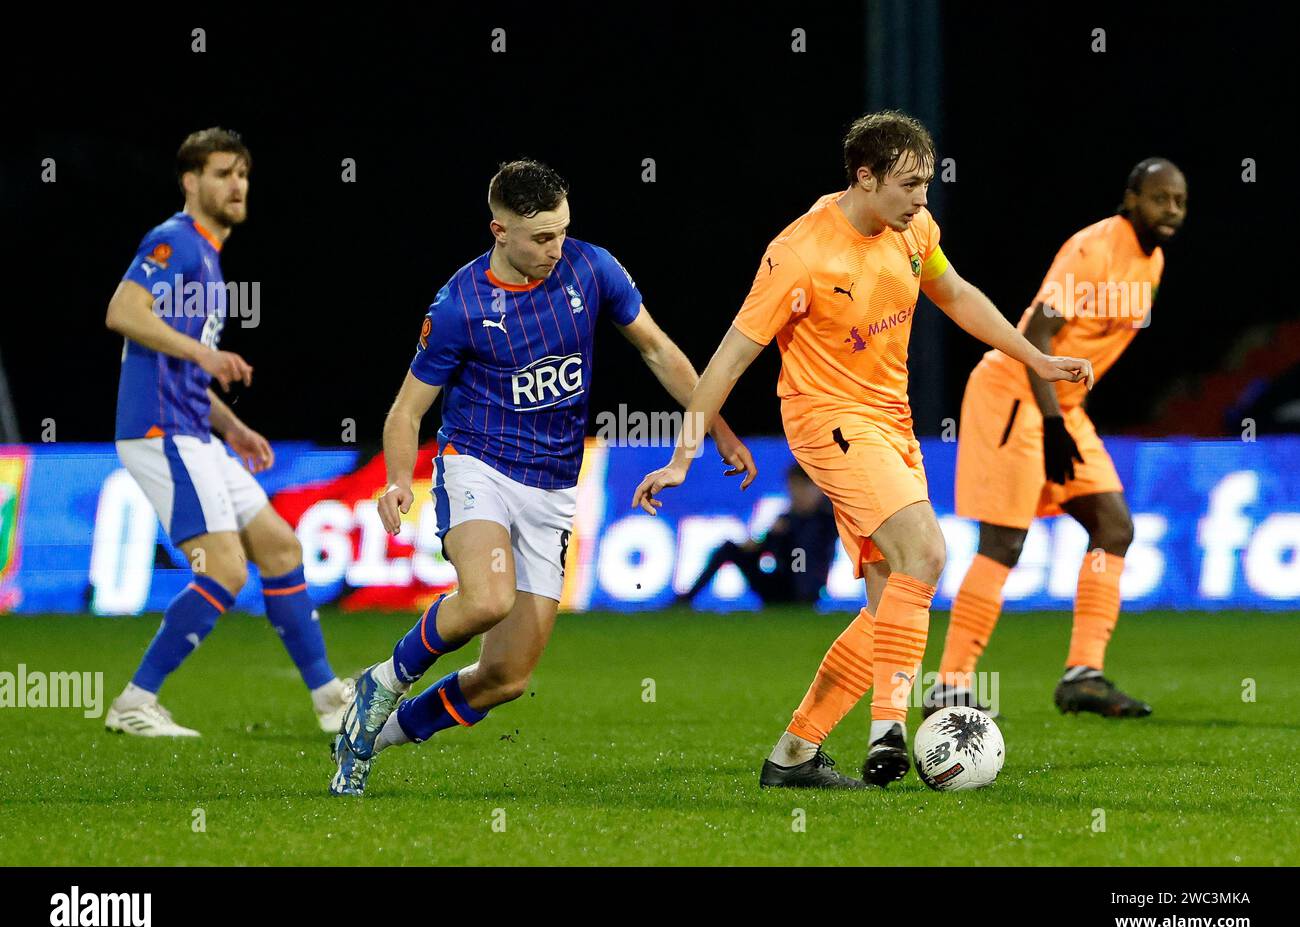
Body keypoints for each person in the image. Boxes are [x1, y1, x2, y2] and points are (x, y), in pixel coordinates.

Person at [632, 111, 1093, 789]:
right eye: (908, 184)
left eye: (927, 184)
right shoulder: (800, 254)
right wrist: (683, 455)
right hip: (828, 421)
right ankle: (889, 732)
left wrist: (1034, 357)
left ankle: (794, 755)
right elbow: (728, 361)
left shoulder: (916, 230)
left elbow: (957, 295)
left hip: (892, 423)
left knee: (889, 606)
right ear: (864, 176)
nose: (921, 199)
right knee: (926, 552)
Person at [329, 159, 756, 795]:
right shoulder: (460, 306)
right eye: (542, 238)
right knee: (486, 599)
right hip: (477, 464)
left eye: (562, 232)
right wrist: (396, 480)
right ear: (499, 231)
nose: (557, 248)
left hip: (555, 483)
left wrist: (714, 428)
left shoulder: (592, 268)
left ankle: (376, 733)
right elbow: (406, 411)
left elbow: (658, 350)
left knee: (505, 678)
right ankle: (382, 682)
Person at [103, 128, 353, 738]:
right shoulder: (174, 242)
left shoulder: (209, 258)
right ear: (191, 183)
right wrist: (206, 357)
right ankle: (135, 702)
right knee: (224, 570)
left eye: (242, 173)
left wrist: (232, 424)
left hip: (195, 430)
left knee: (280, 548)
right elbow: (123, 314)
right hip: (161, 432)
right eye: (222, 173)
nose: (236, 185)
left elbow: (179, 362)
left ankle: (329, 699)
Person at [929, 158, 1187, 719]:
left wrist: (1064, 414)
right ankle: (948, 685)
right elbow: (1036, 332)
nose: (1170, 210)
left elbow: (1090, 346)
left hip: (1061, 404)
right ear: (1131, 198)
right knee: (1005, 543)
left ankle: (1082, 676)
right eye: (1160, 198)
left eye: (1179, 202)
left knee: (1113, 527)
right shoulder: (1092, 248)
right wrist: (1050, 423)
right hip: (1013, 391)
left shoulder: (1154, 261)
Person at [678, 463, 837, 606]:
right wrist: (763, 541)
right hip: (781, 587)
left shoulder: (829, 518)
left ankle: (802, 599)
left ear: (817, 488)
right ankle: (685, 601)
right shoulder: (786, 519)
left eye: (802, 488)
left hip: (807, 589)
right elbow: (763, 550)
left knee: (801, 547)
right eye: (793, 488)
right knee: (729, 548)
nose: (796, 494)